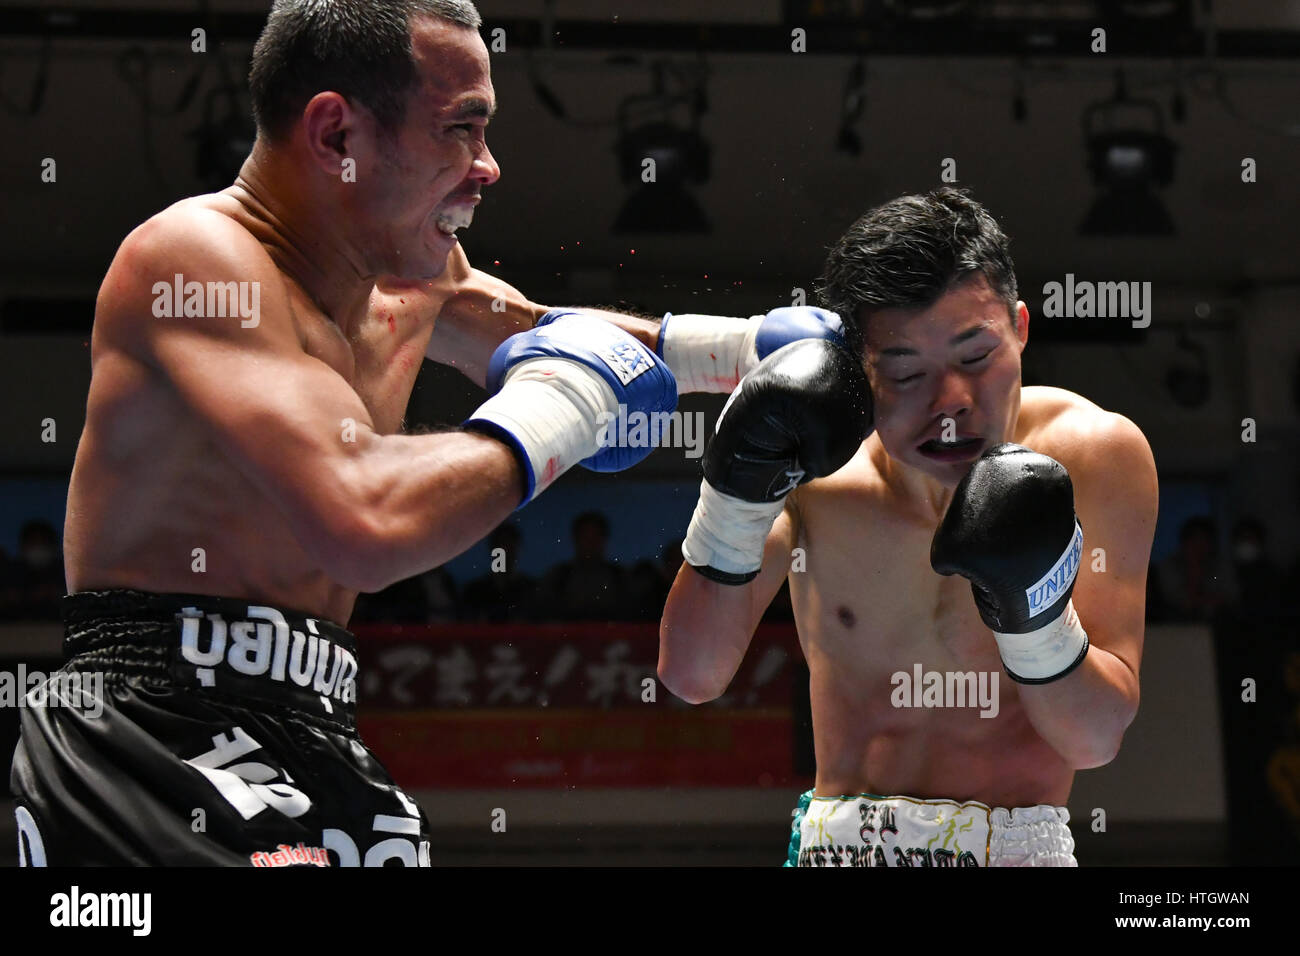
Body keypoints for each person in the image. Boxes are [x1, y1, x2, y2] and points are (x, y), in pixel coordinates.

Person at [9, 0, 843, 867]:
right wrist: (565, 406)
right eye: (460, 128)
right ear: (337, 136)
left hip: (314, 722)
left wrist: (750, 350)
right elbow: (363, 518)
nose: (487, 167)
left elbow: (539, 330)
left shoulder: (406, 273)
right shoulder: (196, 261)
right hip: (154, 725)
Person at [659, 187, 1159, 867]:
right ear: (859, 370)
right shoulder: (814, 470)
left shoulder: (1095, 453)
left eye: (975, 357)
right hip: (837, 849)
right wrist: (733, 493)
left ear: (1020, 328)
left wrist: (1034, 619)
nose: (950, 403)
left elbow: (1095, 739)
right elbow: (692, 676)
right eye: (906, 372)